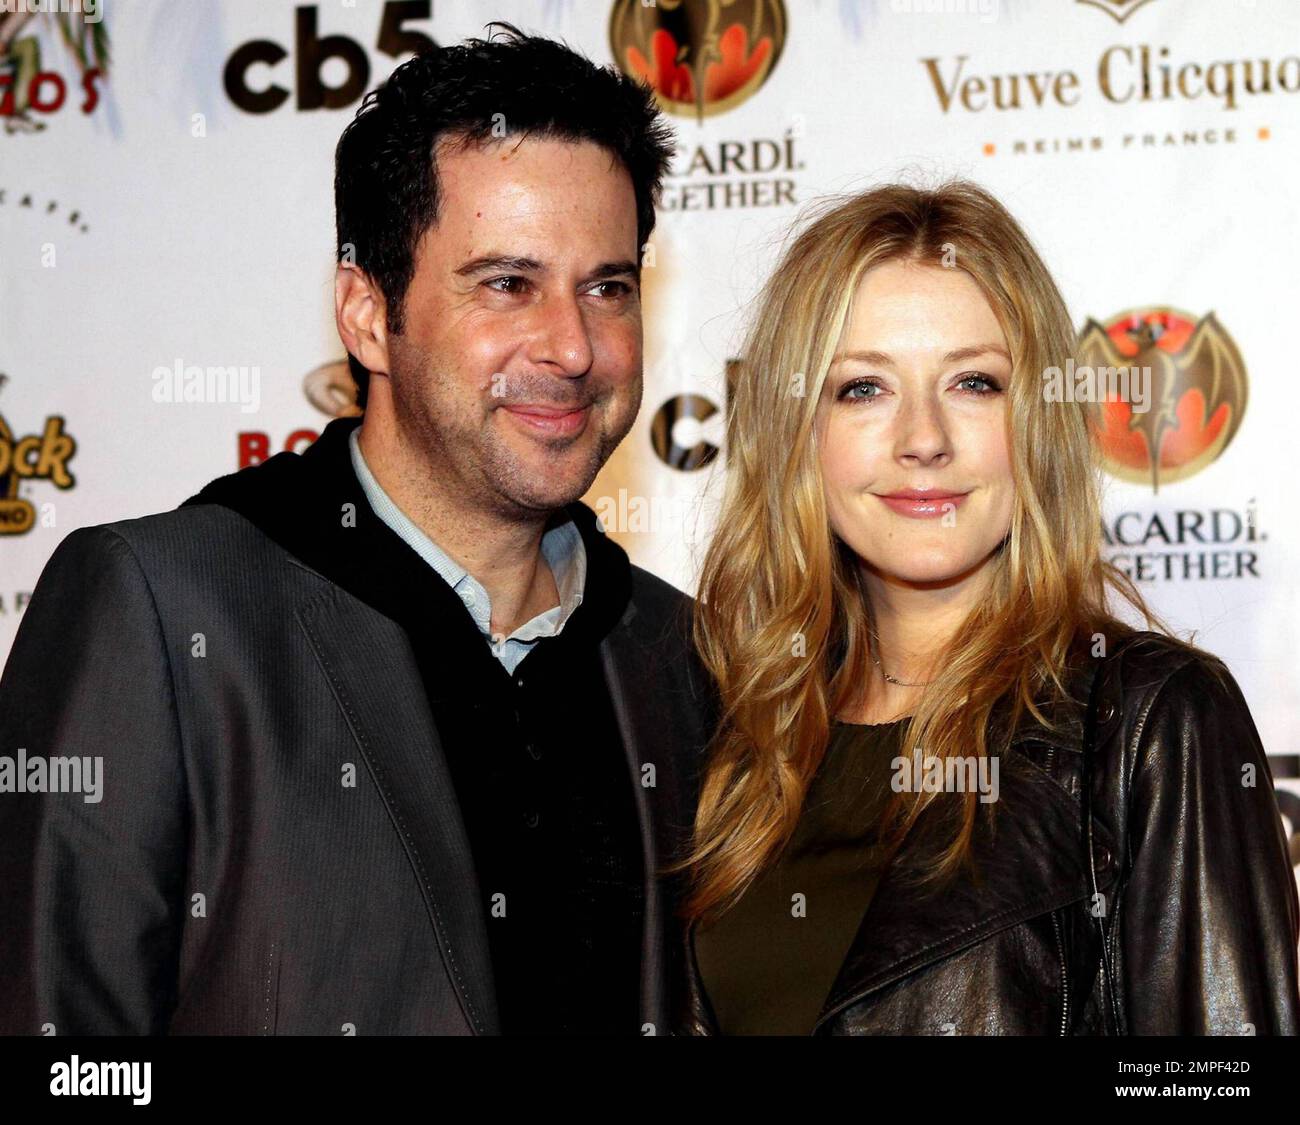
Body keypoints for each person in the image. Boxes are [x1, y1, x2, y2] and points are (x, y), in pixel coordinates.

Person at [0, 25, 715, 1036]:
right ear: (367, 313)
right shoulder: (162, 614)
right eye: (506, 283)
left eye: (607, 287)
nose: (571, 345)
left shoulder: (680, 660)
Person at [672, 181, 1300, 1035]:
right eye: (862, 388)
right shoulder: (735, 735)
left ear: (1039, 417)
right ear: (795, 432)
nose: (923, 437)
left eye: (974, 382)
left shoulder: (1148, 724)